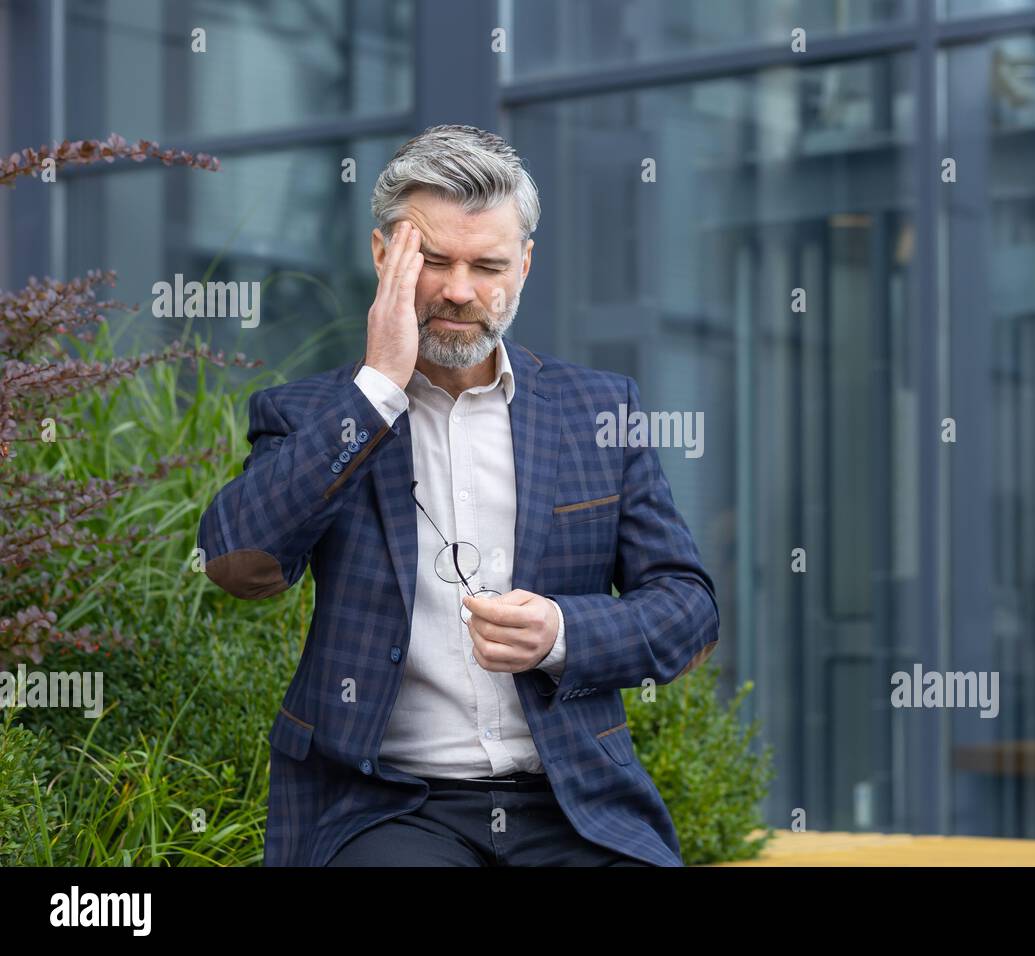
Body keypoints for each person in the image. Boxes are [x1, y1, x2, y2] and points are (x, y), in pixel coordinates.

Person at [196, 124, 720, 867]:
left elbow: (689, 611)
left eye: (488, 264)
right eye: (433, 261)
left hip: (572, 803)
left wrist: (561, 633)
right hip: (388, 806)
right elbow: (235, 564)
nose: (459, 290)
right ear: (384, 258)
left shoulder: (601, 410)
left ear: (525, 266)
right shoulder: (311, 416)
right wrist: (376, 389)